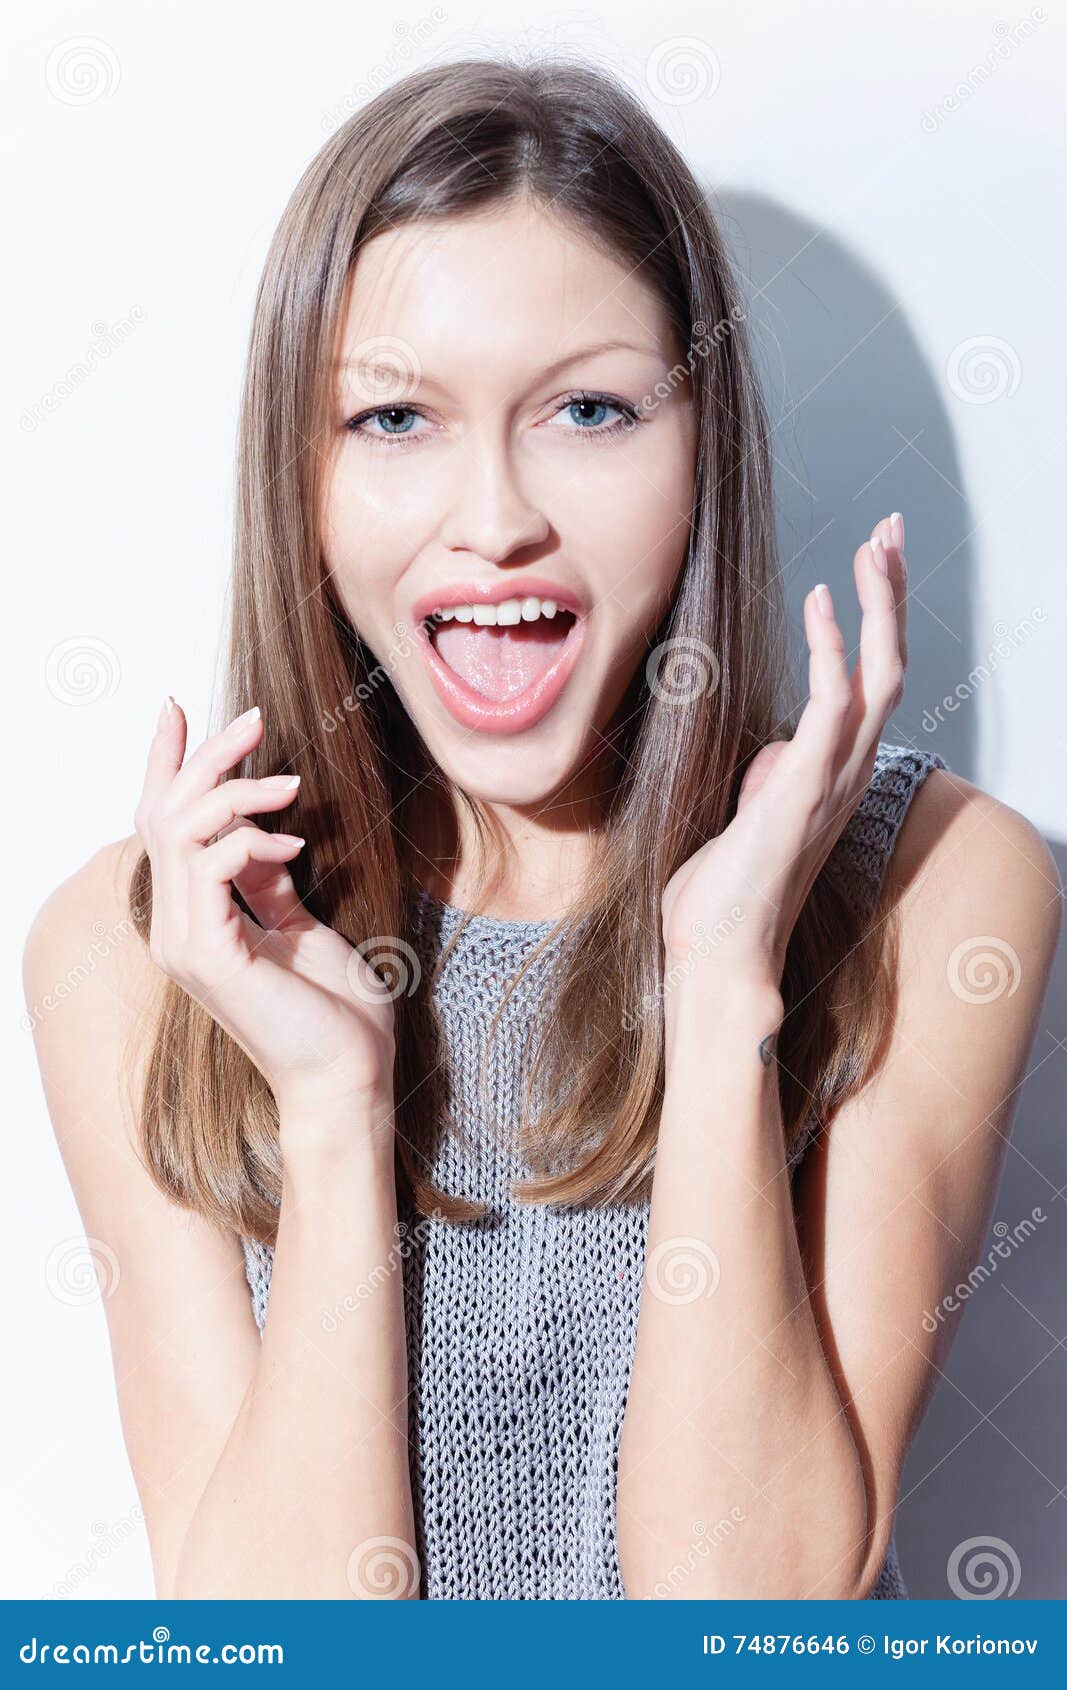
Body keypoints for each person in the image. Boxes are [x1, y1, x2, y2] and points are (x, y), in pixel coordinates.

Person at [24, 56, 1060, 1601]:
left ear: (703, 447)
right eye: (394, 417)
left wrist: (724, 983)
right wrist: (332, 1103)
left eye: (589, 409)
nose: (496, 516)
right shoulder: (141, 948)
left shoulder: (936, 884)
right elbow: (291, 1650)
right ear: (299, 475)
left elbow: (748, 1616)